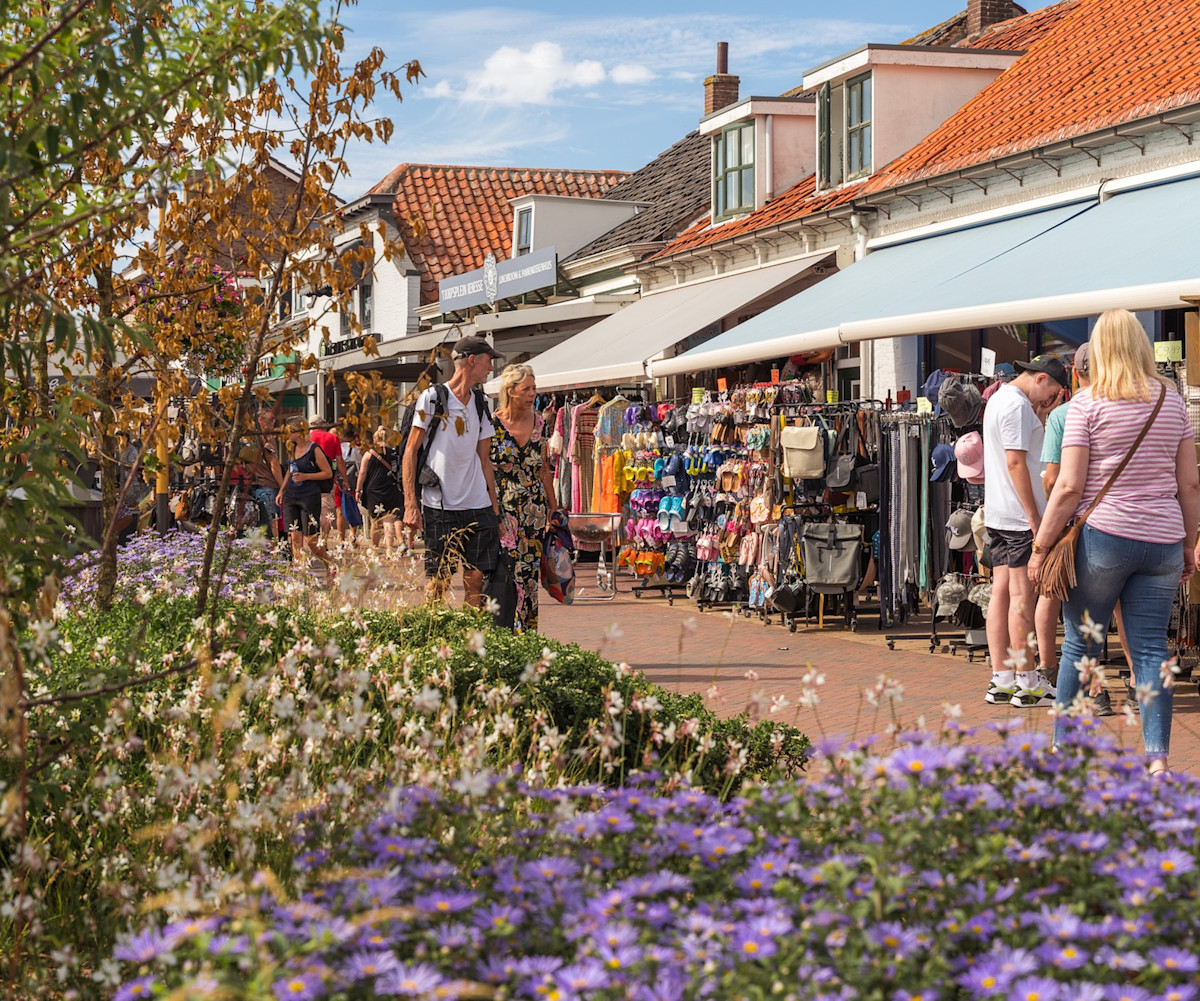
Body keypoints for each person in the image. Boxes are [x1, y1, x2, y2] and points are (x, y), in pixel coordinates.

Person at [1029, 310, 1199, 775]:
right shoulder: (1172, 402)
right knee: (1149, 651)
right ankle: (1158, 760)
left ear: (1098, 349)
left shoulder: (1087, 404)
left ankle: (1064, 752)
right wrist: (1189, 544)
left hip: (1104, 536)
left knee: (1081, 645)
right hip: (1163, 538)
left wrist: (1041, 547)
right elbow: (1189, 485)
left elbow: (1067, 488)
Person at [1034, 342, 1125, 716]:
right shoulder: (1129, 408)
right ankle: (1136, 686)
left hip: (1078, 523)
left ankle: (1079, 684)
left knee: (1074, 613)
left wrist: (1051, 527)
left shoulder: (1064, 415)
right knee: (1124, 610)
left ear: (1075, 372)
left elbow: (1054, 479)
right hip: (1127, 524)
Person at [982, 353, 1069, 708]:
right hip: (1018, 516)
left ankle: (1003, 677)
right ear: (1040, 380)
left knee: (1002, 592)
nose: (1049, 402)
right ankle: (1028, 682)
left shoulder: (1000, 398)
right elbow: (1016, 461)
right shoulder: (1017, 405)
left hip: (999, 512)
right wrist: (1035, 517)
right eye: (1051, 394)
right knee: (1022, 598)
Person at [403, 336, 501, 607]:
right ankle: (433, 638)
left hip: (477, 504)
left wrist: (494, 508)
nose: (491, 368)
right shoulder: (432, 398)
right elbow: (410, 451)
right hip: (439, 504)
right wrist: (411, 504)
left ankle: (472, 642)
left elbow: (485, 462)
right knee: (439, 582)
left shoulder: (481, 403)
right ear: (472, 360)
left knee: (476, 579)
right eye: (489, 361)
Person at [491, 363, 558, 631]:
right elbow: (484, 469)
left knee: (529, 574)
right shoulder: (492, 425)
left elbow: (543, 468)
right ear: (510, 390)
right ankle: (503, 629)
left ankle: (527, 634)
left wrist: (554, 508)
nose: (532, 393)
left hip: (534, 511)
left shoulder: (540, 423)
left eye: (534, 388)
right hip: (503, 511)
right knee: (506, 572)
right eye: (526, 388)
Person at [277, 416, 335, 581]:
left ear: (298, 431)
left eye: (289, 430)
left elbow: (328, 473)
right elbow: (290, 470)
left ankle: (329, 565)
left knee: (310, 540)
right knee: (294, 537)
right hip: (291, 497)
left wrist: (306, 476)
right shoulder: (291, 448)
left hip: (309, 497)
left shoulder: (314, 449)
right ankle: (299, 575)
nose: (286, 434)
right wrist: (281, 491)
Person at [357, 426, 406, 555]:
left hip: (374, 490)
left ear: (375, 439)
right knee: (389, 519)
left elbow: (362, 473)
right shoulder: (394, 454)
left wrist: (358, 490)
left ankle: (374, 548)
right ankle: (390, 548)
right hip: (390, 488)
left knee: (376, 521)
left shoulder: (369, 453)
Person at [309, 417, 351, 545]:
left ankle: (312, 540)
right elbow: (339, 461)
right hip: (327, 480)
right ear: (322, 424)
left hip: (308, 479)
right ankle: (324, 540)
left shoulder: (306, 438)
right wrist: (345, 480)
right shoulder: (333, 438)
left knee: (310, 510)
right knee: (326, 511)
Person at [246, 407, 284, 540]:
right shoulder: (267, 439)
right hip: (268, 485)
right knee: (271, 523)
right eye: (271, 419)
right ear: (260, 420)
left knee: (260, 524)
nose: (274, 422)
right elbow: (274, 464)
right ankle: (274, 554)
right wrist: (282, 486)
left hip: (255, 485)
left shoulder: (250, 438)